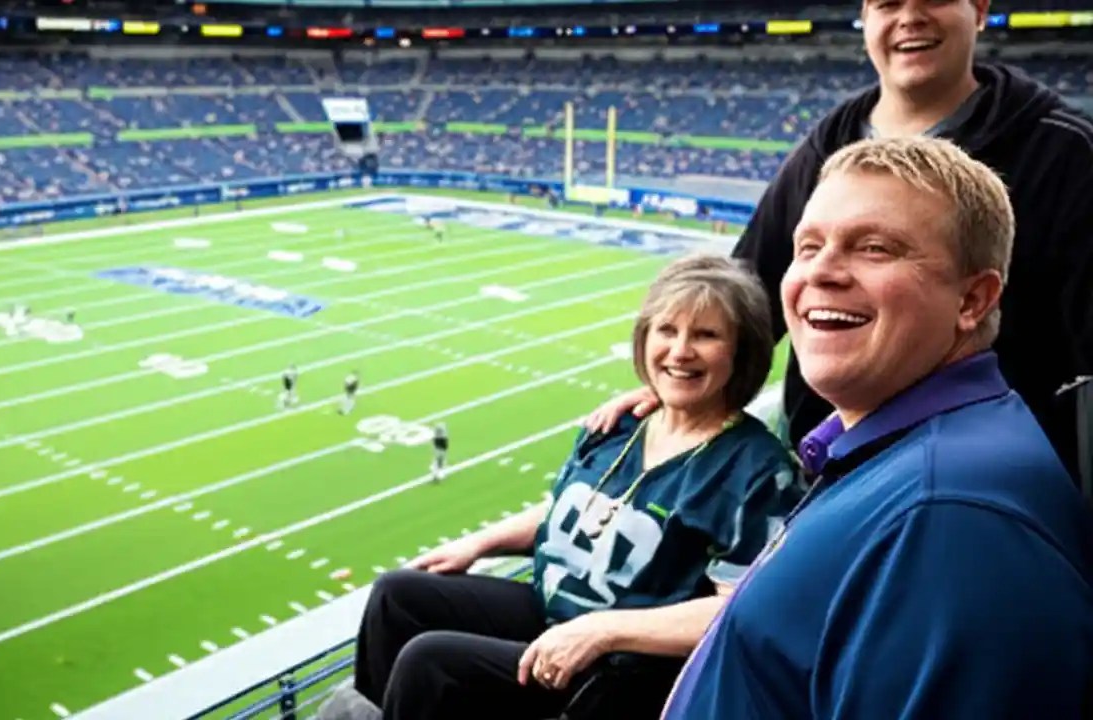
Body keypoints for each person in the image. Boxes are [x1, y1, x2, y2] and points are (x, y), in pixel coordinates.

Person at [662, 137, 1093, 719]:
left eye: (874, 248)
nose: (821, 271)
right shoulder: (911, 453)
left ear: (972, 299)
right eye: (807, 245)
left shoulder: (948, 516)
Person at [588, 0, 1093, 483]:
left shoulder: (1064, 152)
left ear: (979, 9)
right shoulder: (826, 146)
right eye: (888, 4)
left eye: (933, 0)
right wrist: (679, 381)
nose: (910, 18)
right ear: (865, 17)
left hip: (980, 480)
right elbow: (746, 296)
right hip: (827, 464)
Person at [332, 255, 803, 720]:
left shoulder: (757, 471)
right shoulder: (622, 425)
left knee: (431, 664)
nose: (680, 350)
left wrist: (604, 631)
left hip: (625, 665)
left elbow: (736, 612)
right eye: (667, 330)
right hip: (557, 607)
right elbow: (569, 510)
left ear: (741, 353)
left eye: (706, 335)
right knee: (397, 596)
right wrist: (481, 543)